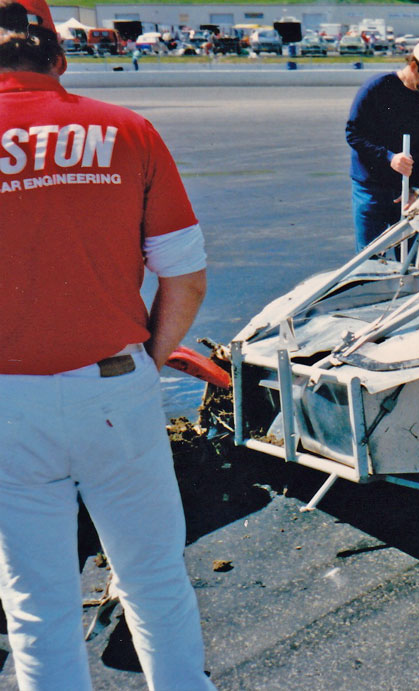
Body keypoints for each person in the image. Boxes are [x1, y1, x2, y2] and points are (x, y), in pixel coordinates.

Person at [0, 0, 216, 688]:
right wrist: (145, 364)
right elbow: (185, 278)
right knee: (154, 579)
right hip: (114, 384)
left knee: (37, 604)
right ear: (59, 60)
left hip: (8, 401)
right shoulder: (128, 131)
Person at [345, 37, 419, 253]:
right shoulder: (376, 88)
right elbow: (354, 134)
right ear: (414, 66)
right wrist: (389, 157)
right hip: (371, 188)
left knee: (409, 260)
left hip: (405, 192)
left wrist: (416, 187)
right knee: (369, 259)